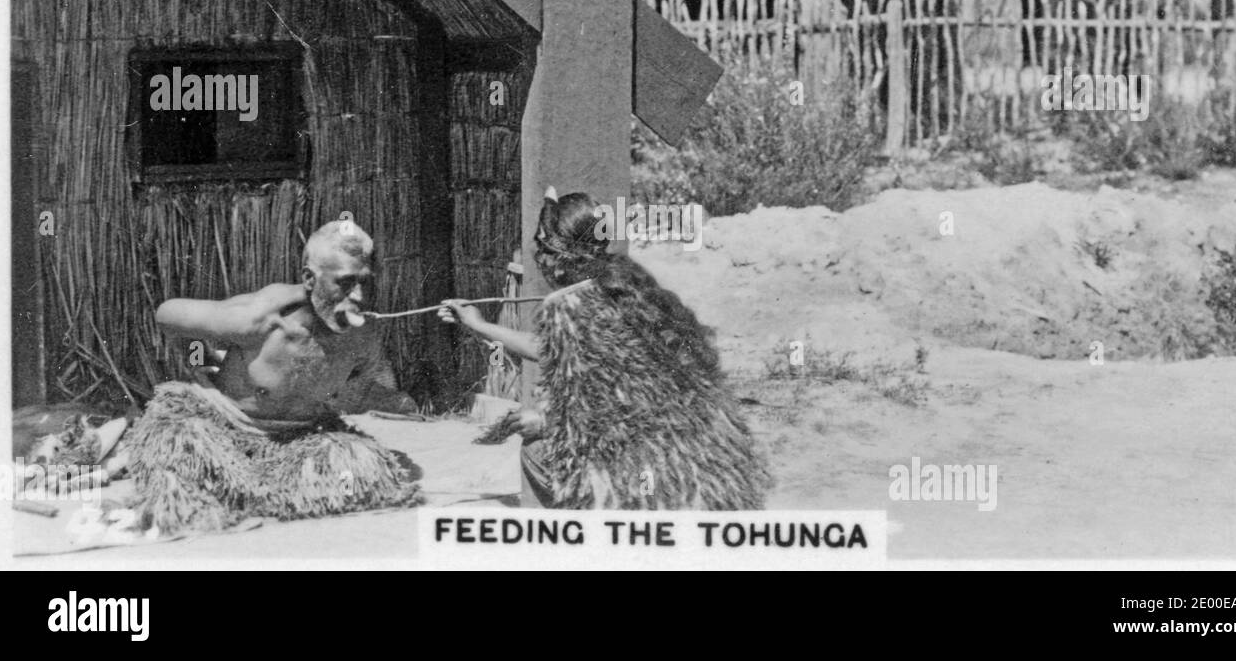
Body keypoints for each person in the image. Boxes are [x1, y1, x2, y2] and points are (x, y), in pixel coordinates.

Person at [440, 191, 769, 510]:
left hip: (661, 469)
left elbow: (607, 408)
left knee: (538, 451)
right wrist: (479, 325)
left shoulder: (569, 306)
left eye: (541, 245)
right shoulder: (623, 280)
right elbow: (553, 350)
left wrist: (544, 422)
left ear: (556, 258)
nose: (537, 254)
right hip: (712, 455)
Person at [125, 221, 418, 535]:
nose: (358, 296)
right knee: (183, 472)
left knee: (363, 471)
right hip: (226, 429)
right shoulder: (258, 319)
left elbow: (355, 387)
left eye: (365, 283)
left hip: (300, 438)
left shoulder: (364, 335)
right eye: (345, 283)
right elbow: (166, 314)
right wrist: (201, 353)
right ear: (310, 278)